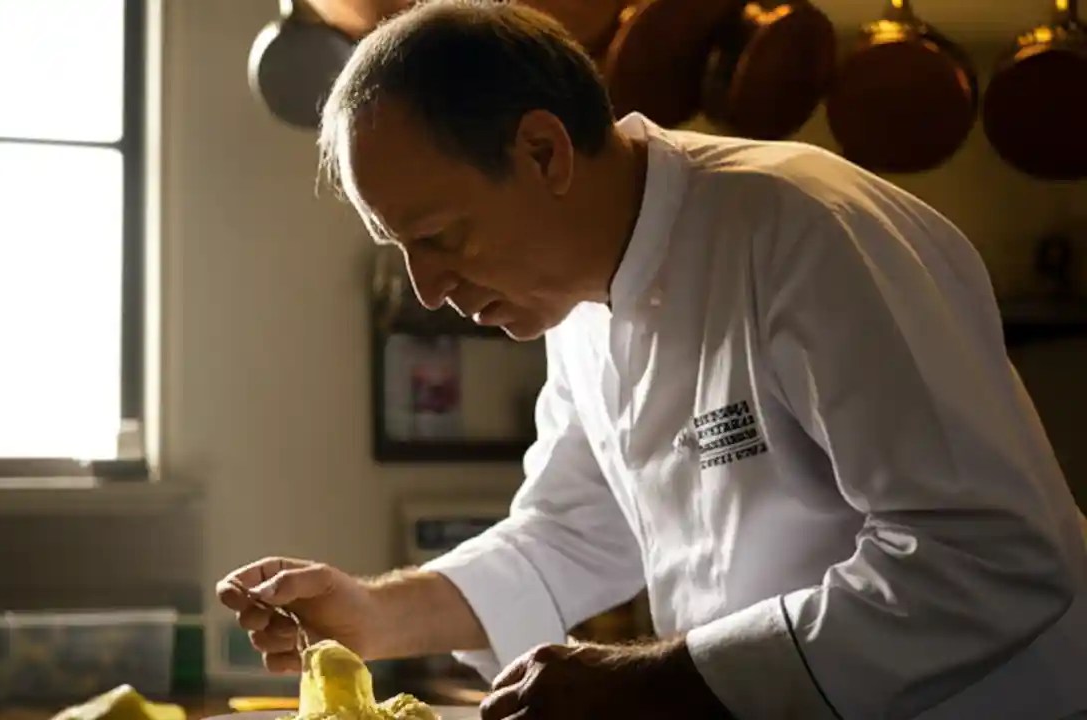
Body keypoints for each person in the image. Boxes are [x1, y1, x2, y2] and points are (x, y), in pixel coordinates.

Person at [218, 1, 1087, 717]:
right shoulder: (575, 304)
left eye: (440, 237)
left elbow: (990, 556)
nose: (428, 288)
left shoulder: (804, 231)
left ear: (544, 152)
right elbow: (572, 532)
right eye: (400, 246)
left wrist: (662, 680)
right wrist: (374, 614)